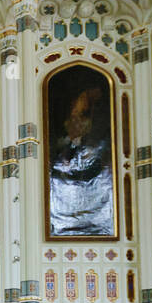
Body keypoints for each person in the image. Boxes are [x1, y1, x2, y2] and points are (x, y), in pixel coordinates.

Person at [49, 88, 114, 237]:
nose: (74, 122)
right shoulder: (61, 151)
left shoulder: (101, 150)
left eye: (82, 115)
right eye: (73, 116)